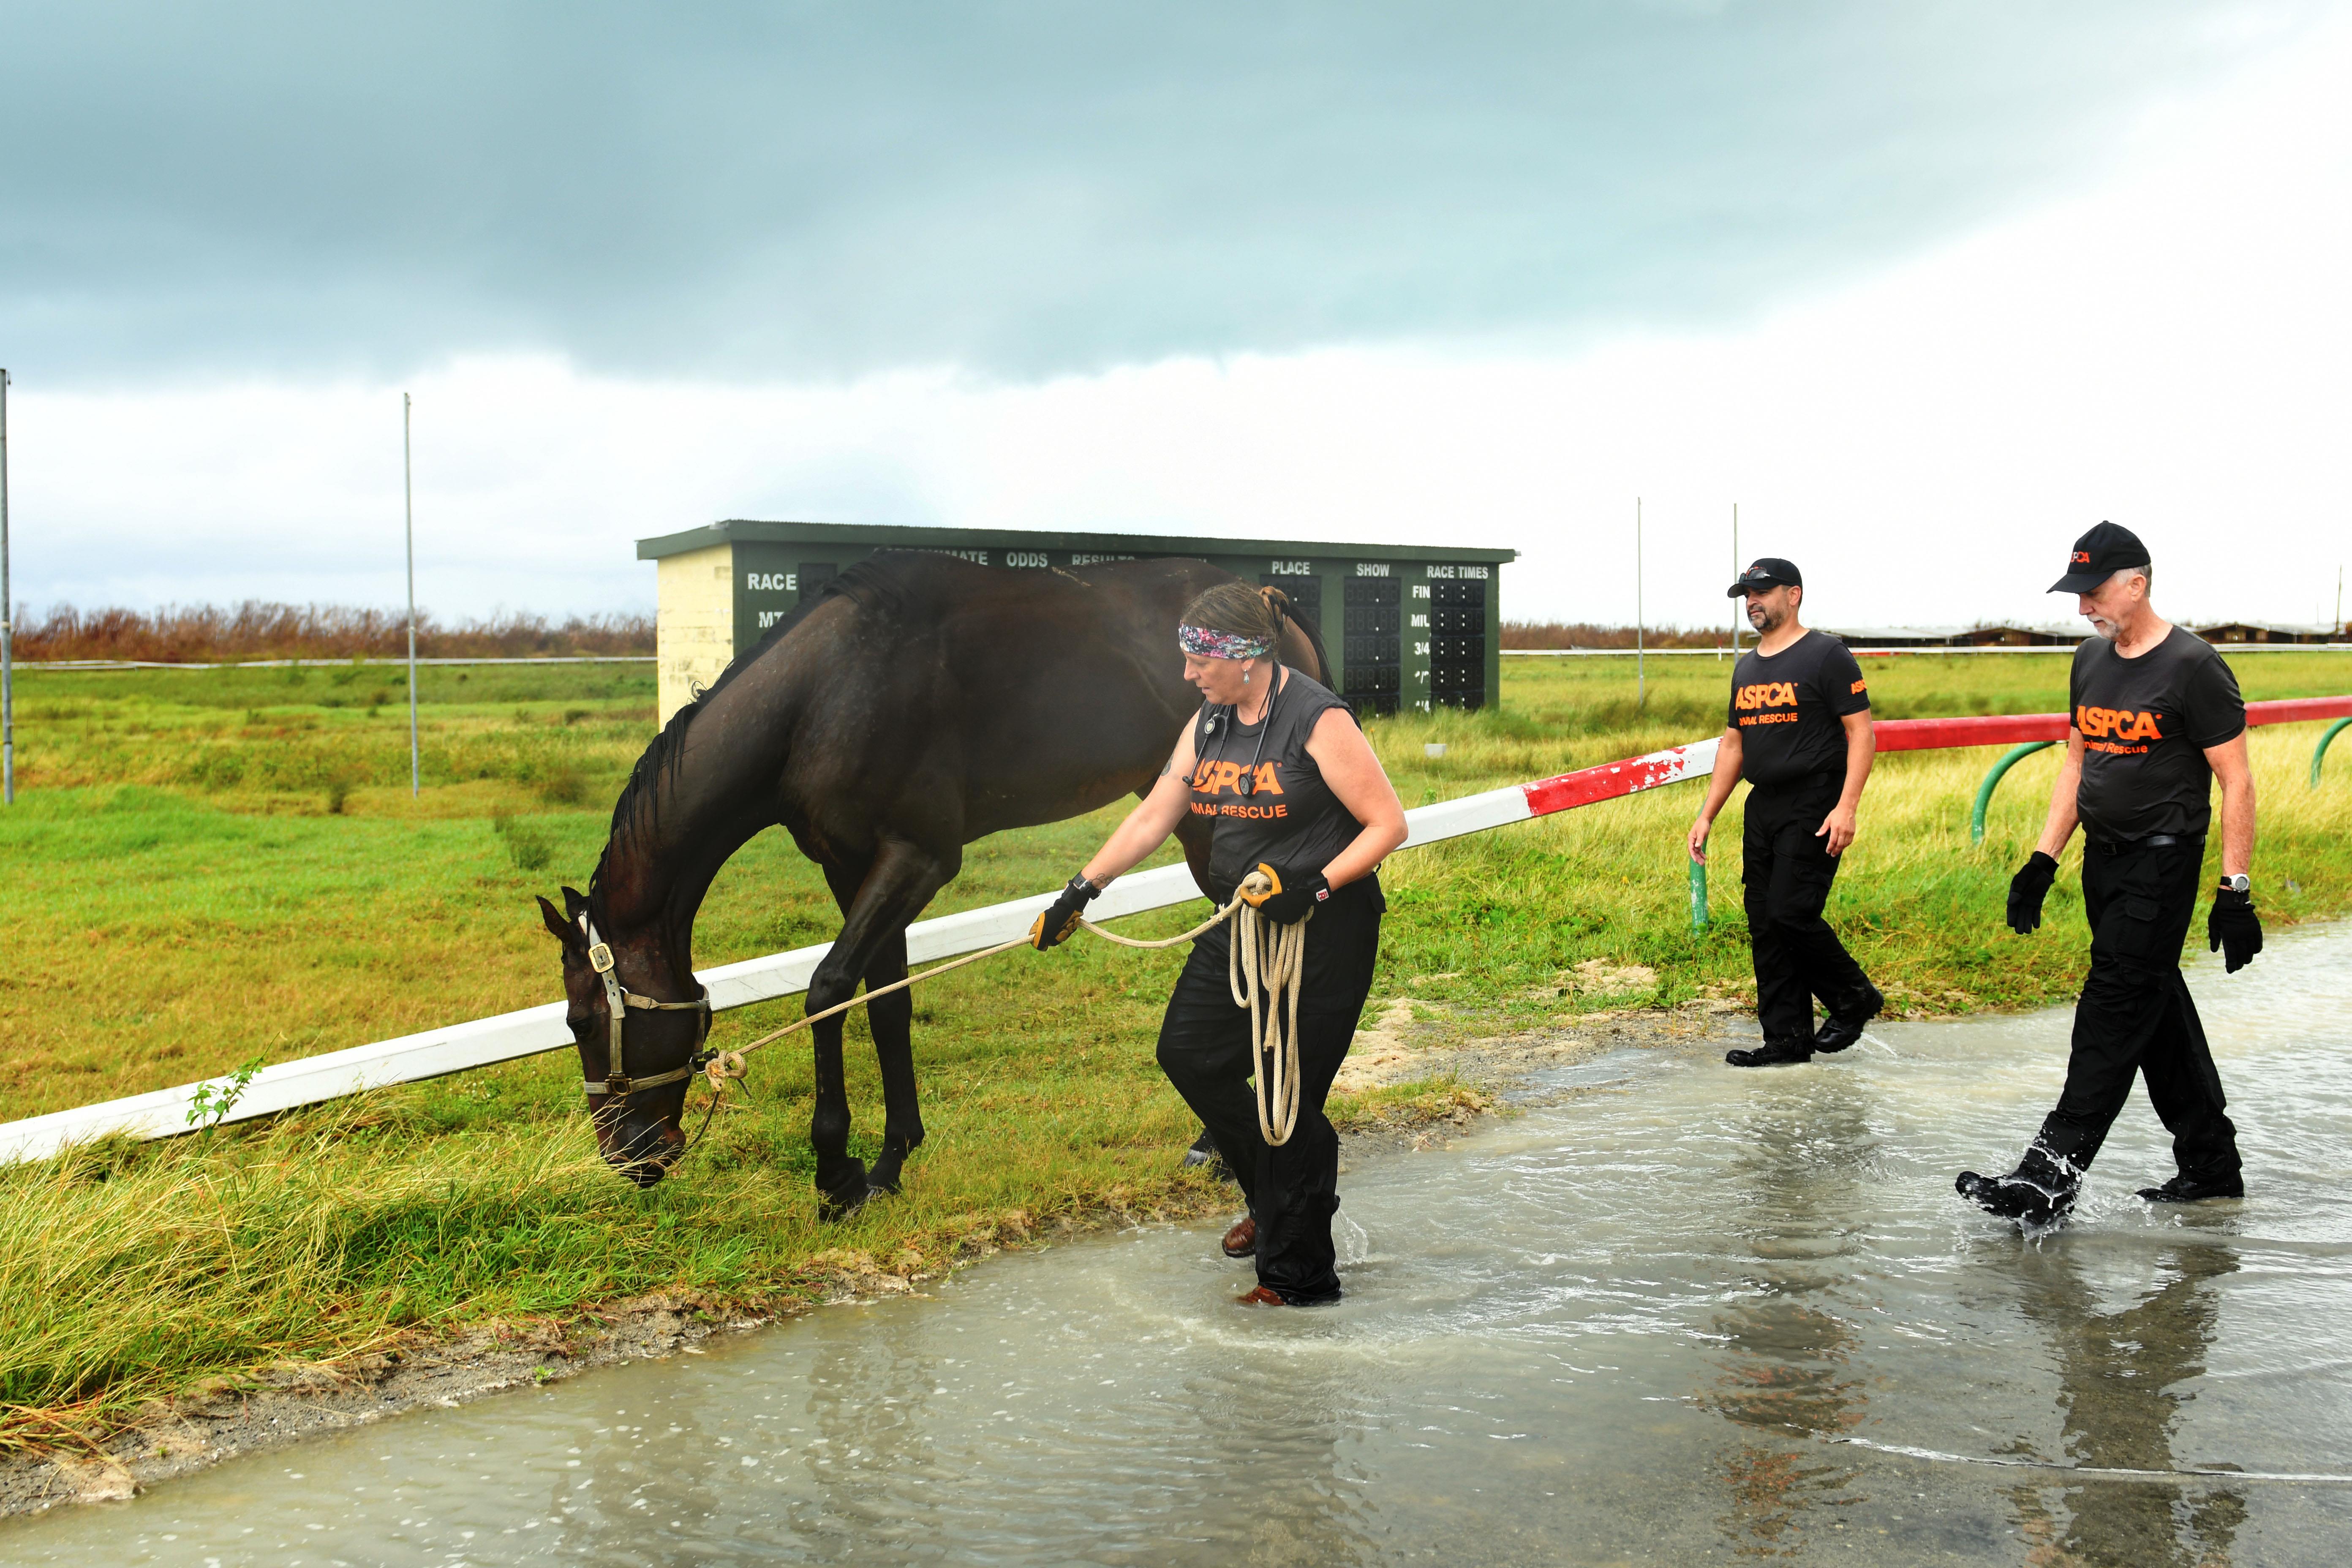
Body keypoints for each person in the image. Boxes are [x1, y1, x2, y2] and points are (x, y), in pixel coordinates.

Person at [1030, 582, 1408, 1305]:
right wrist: (1080, 889)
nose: (1187, 675)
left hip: (1322, 929)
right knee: (1189, 1053)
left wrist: (1315, 885)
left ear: (1247, 657)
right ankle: (1273, 1200)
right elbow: (1154, 814)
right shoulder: (1208, 722)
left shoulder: (1317, 719)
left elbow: (1387, 824)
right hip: (1240, 919)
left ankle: (1295, 1279)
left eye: (1200, 660)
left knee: (1288, 1099)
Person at [1957, 523, 2256, 1225]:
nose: (2081, 606)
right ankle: (2211, 1165)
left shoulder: (2194, 667)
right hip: (2104, 861)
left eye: (2091, 591)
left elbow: (2235, 783)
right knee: (2153, 1014)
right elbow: (2074, 762)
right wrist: (2042, 856)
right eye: (2075, 592)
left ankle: (2046, 1177)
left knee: (2110, 1009)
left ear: (2136, 583)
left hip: (2162, 861)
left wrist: (2233, 890)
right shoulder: (2088, 662)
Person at [1688, 558, 1884, 1068]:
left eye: (1762, 591)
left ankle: (1853, 997)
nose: (1752, 600)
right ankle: (1786, 1041)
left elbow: (1861, 734)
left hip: (1816, 799)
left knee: (1790, 913)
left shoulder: (1827, 655)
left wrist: (1847, 806)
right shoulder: (1747, 667)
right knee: (1765, 923)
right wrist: (1708, 814)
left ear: (1793, 595)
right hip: (1764, 805)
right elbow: (1734, 744)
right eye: (1746, 593)